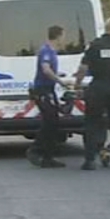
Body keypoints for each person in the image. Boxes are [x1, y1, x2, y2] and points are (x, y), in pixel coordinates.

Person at [74, 17, 110, 171]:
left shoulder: (95, 45)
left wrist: (77, 84)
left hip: (98, 86)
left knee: (92, 123)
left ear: (105, 29)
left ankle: (90, 159)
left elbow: (83, 68)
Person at [28, 25, 67, 168]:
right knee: (49, 122)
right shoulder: (46, 51)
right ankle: (36, 150)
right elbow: (45, 69)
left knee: (53, 122)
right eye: (63, 36)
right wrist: (59, 80)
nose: (64, 39)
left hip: (48, 90)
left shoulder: (52, 52)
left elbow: (49, 69)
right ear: (58, 36)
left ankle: (48, 156)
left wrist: (59, 74)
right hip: (43, 91)